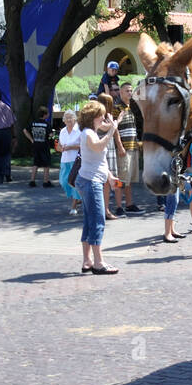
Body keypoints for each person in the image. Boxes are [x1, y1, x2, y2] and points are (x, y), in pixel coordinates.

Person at [74, 100, 120, 274]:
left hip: (90, 179)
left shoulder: (90, 132)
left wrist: (109, 176)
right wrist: (113, 130)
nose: (102, 118)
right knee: (98, 221)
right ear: (93, 117)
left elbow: (98, 158)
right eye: (100, 115)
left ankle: (87, 260)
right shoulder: (88, 134)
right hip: (90, 182)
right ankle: (98, 262)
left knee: (89, 220)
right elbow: (99, 147)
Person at [114, 82, 143, 216]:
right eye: (127, 91)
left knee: (129, 179)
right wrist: (119, 146)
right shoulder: (116, 107)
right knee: (121, 178)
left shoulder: (131, 107)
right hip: (124, 148)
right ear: (120, 92)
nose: (130, 93)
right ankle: (119, 206)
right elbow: (115, 130)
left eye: (131, 91)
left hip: (133, 147)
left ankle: (129, 204)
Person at [55, 110, 82, 216]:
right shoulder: (62, 131)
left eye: (71, 117)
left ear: (75, 119)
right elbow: (59, 146)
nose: (69, 119)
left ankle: (74, 206)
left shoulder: (79, 130)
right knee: (63, 181)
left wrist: (71, 147)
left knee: (73, 182)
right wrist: (60, 148)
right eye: (66, 118)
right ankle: (79, 197)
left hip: (76, 160)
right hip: (64, 160)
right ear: (64, 120)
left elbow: (84, 145)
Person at [23, 105, 54, 187]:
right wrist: (52, 134)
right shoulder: (46, 124)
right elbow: (50, 135)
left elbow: (25, 130)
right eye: (47, 113)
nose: (48, 115)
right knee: (46, 164)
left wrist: (31, 139)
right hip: (44, 145)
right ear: (44, 115)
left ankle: (32, 181)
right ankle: (45, 181)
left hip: (35, 145)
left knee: (35, 163)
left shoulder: (33, 123)